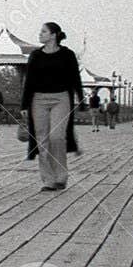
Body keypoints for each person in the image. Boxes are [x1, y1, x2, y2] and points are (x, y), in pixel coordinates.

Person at [22, 21, 83, 191]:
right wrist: (24, 105)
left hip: (61, 98)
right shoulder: (35, 55)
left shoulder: (67, 54)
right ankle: (48, 180)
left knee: (57, 136)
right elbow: (29, 82)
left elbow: (75, 79)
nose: (40, 34)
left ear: (54, 35)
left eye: (43, 32)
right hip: (38, 100)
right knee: (42, 140)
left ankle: (61, 176)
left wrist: (81, 99)